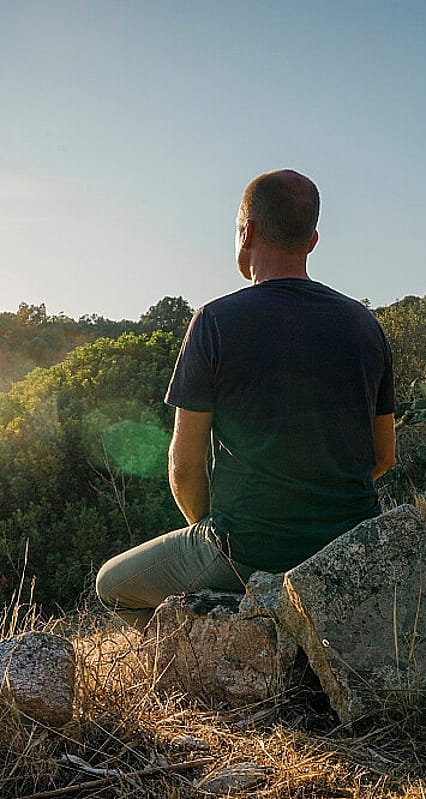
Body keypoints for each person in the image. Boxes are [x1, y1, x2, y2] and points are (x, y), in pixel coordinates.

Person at [96, 169, 396, 629]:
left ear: (247, 231)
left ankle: (215, 654)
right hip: (351, 542)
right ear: (312, 240)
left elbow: (184, 465)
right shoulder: (365, 325)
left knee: (111, 585)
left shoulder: (215, 322)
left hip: (245, 548)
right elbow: (383, 456)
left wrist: (211, 527)